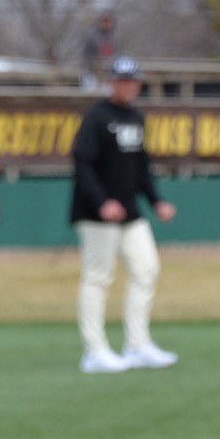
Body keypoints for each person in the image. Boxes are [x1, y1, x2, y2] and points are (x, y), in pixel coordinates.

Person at [69, 56, 179, 374]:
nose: (129, 86)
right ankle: (95, 351)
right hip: (96, 213)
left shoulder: (136, 118)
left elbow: (141, 166)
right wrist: (102, 202)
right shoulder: (97, 117)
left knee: (146, 270)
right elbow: (82, 163)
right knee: (98, 276)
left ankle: (138, 345)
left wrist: (157, 201)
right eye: (123, 80)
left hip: (130, 212)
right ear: (112, 83)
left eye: (134, 81)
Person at [82, 12, 118, 85]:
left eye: (108, 21)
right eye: (104, 21)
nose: (106, 24)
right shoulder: (92, 37)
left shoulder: (115, 38)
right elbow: (86, 54)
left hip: (109, 72)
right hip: (92, 71)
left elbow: (117, 55)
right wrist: (94, 64)